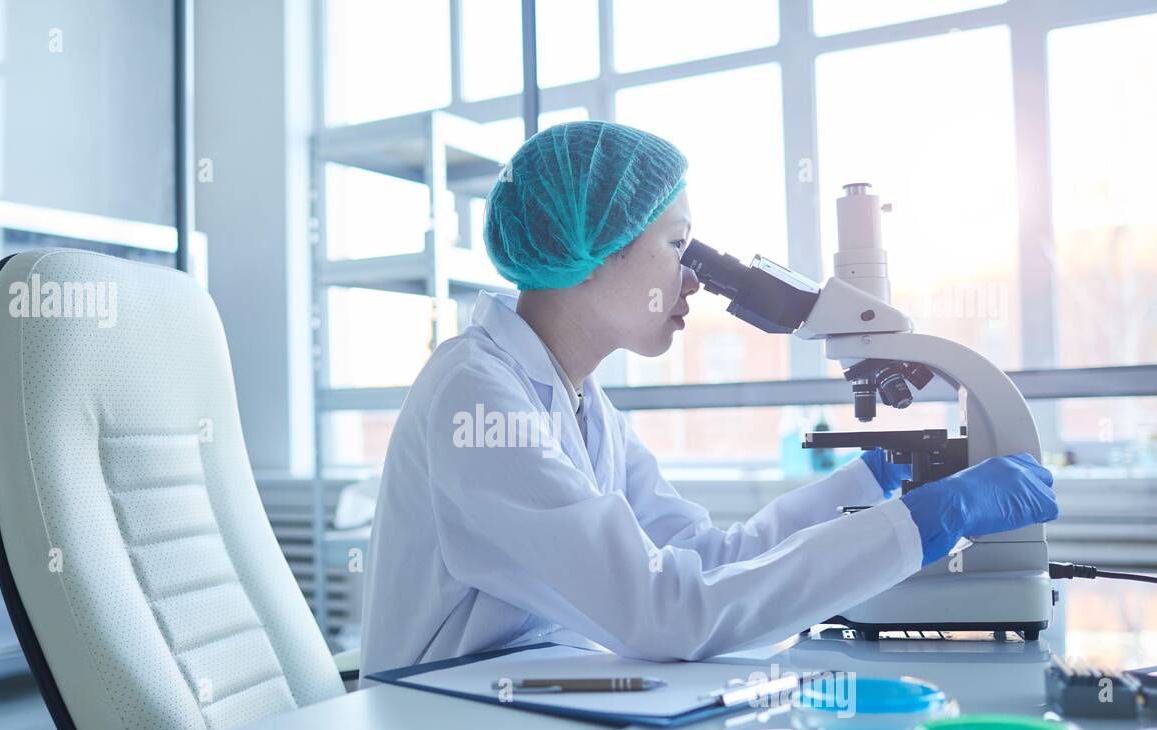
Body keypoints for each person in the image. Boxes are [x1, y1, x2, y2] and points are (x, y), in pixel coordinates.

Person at [359, 120, 1056, 676]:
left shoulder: (578, 401)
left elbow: (706, 554)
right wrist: (927, 521)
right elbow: (665, 613)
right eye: (679, 246)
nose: (696, 278)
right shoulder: (475, 396)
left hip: (518, 713)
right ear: (598, 248)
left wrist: (867, 483)